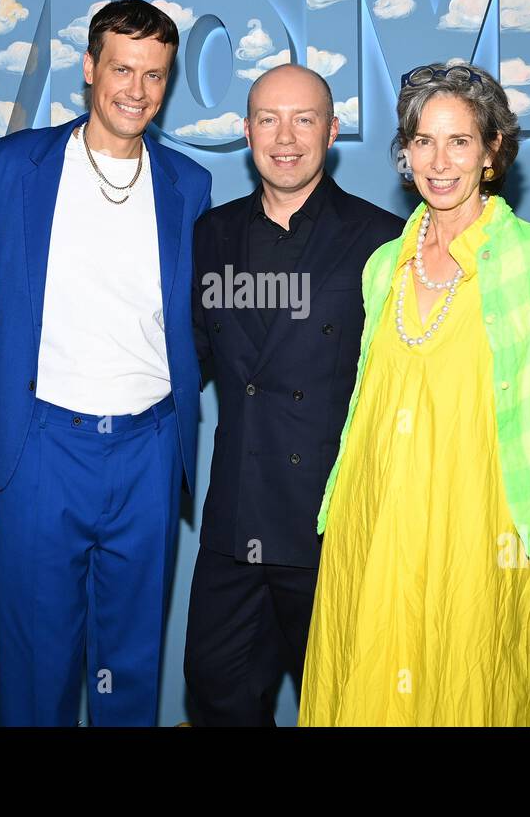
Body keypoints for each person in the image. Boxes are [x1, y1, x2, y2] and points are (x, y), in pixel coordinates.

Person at [298, 62, 530, 726]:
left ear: (492, 150)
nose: (439, 159)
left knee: (473, 687)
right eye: (423, 140)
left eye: (459, 140)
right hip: (378, 523)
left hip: (482, 531)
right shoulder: (382, 266)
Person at [0, 0, 211, 727]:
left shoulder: (189, 184)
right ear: (88, 69)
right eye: (122, 69)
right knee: (35, 667)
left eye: (155, 75)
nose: (137, 90)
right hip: (41, 446)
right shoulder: (13, 166)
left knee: (131, 665)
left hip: (147, 448)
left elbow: (195, 316)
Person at [185, 64, 402, 726]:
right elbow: (181, 358)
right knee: (217, 692)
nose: (286, 137)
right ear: (246, 131)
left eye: (304, 119)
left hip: (328, 528)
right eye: (268, 119)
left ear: (332, 131)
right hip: (234, 523)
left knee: (339, 704)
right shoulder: (209, 234)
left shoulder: (382, 239)